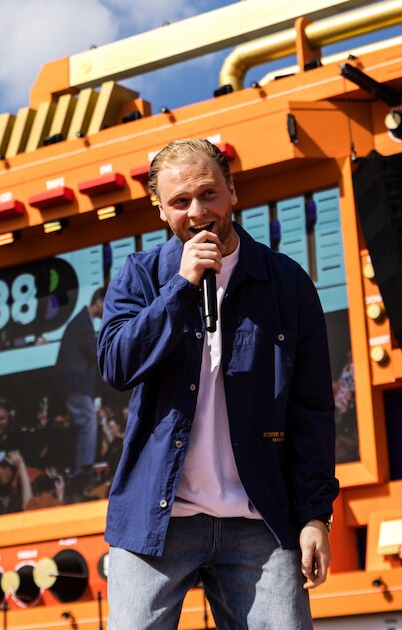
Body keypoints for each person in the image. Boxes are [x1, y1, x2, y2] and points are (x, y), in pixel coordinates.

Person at [97, 139, 338, 628]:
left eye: (208, 194)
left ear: (232, 191)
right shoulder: (140, 277)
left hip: (258, 521)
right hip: (156, 522)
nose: (197, 211)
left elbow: (311, 409)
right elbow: (117, 365)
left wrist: (315, 514)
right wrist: (180, 289)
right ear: (161, 210)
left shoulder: (287, 283)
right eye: (180, 202)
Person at [54, 287, 105, 482]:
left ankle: (80, 469)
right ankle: (82, 472)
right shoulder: (82, 322)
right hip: (75, 386)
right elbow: (95, 351)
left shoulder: (82, 321)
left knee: (85, 424)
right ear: (99, 301)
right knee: (88, 423)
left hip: (75, 386)